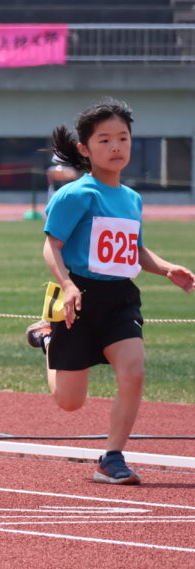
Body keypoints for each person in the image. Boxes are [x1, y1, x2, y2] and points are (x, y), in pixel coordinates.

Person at [24, 100, 193, 485]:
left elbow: (135, 251)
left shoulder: (132, 199)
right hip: (79, 298)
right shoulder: (75, 195)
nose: (116, 146)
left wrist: (167, 268)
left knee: (133, 374)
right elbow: (51, 246)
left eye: (123, 138)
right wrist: (67, 285)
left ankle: (111, 458)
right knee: (70, 402)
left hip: (121, 299)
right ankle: (48, 339)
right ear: (84, 148)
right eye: (104, 140)